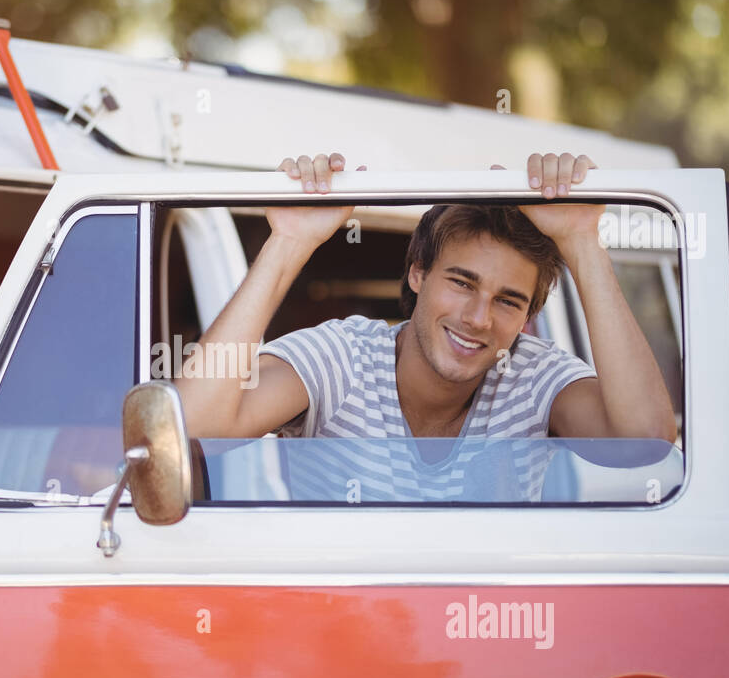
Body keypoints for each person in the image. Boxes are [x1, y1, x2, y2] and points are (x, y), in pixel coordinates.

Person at [173, 152, 679, 502]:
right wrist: (289, 240)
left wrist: (582, 241)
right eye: (461, 283)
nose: (478, 319)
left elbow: (647, 442)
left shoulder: (530, 375)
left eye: (507, 301)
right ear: (418, 273)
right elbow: (194, 428)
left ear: (527, 319)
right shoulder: (342, 355)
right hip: (339, 642)